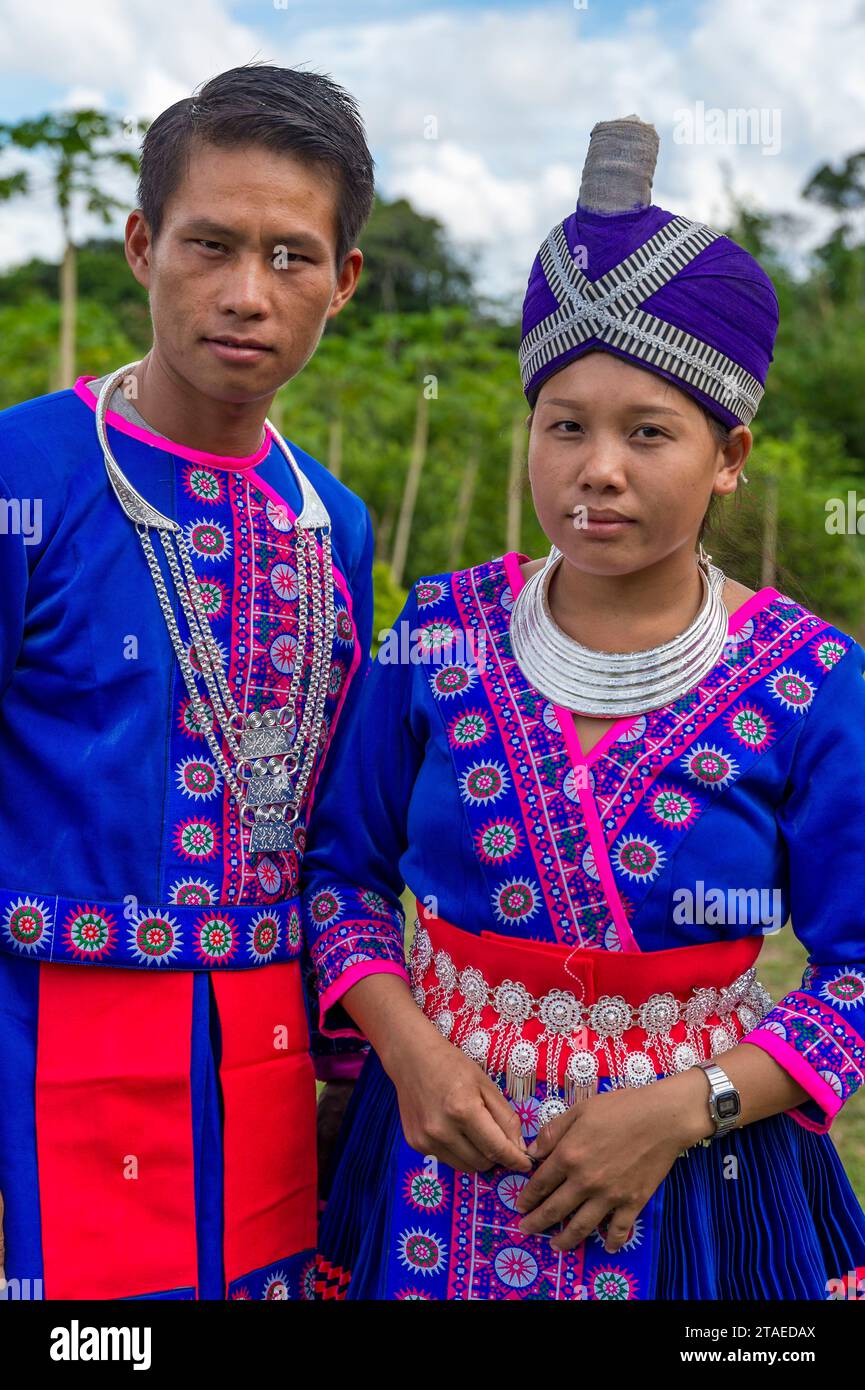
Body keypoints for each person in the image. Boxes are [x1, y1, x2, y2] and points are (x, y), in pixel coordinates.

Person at [303, 116, 865, 1301]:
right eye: (564, 425)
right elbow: (340, 878)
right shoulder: (443, 631)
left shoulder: (811, 681)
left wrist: (681, 1107)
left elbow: (856, 973)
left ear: (729, 456)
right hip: (430, 1170)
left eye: (646, 432)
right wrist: (410, 1056)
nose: (595, 467)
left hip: (701, 1189)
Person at [0, 62, 373, 1301]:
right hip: (44, 1052)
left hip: (264, 1059)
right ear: (142, 243)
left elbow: (332, 821)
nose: (246, 295)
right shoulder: (29, 474)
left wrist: (342, 1068)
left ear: (345, 280)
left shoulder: (338, 526)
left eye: (291, 257)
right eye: (209, 244)